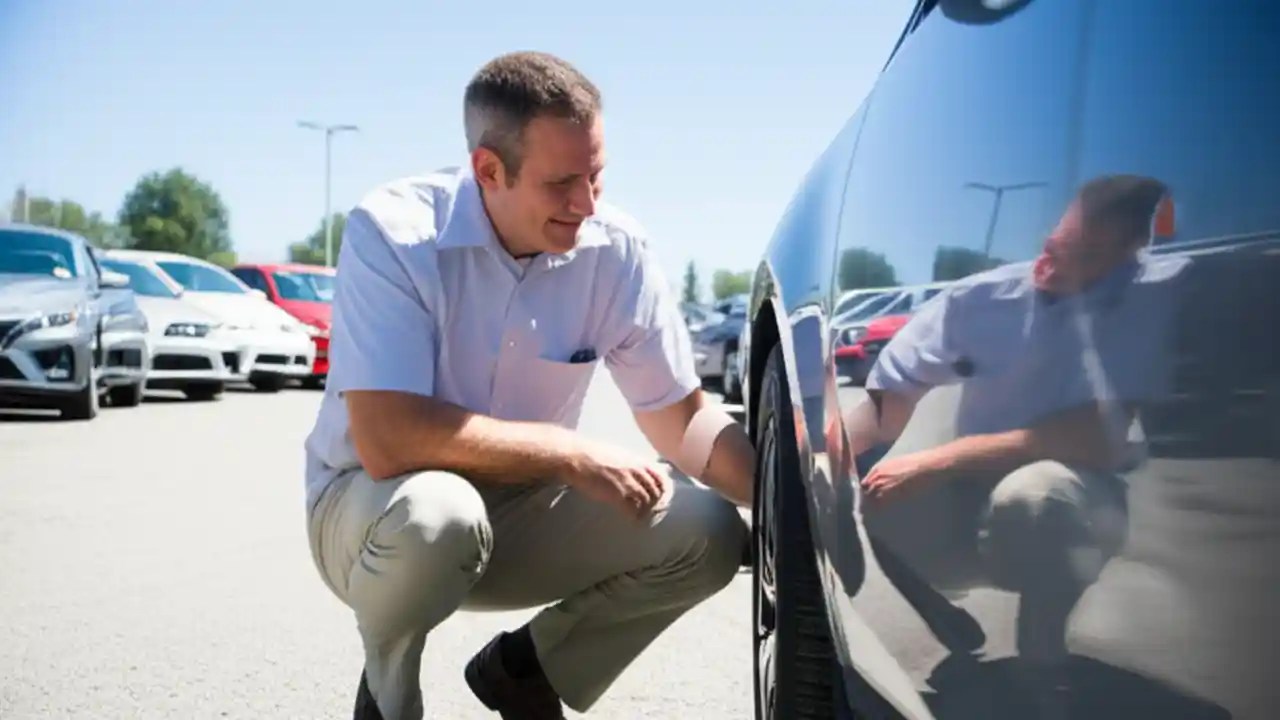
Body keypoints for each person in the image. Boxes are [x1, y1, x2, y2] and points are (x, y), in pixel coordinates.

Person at [302, 51, 755, 720]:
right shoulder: (395, 234)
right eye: (564, 182)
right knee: (441, 515)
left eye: (597, 174)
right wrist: (569, 453)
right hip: (375, 516)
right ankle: (388, 693)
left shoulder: (616, 252)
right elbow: (388, 439)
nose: (587, 203)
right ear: (489, 170)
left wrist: (791, 504)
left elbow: (685, 424)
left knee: (710, 531)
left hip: (521, 515)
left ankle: (527, 670)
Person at [847, 175, 1185, 681]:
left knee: (1035, 494)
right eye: (1053, 245)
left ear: (1130, 252)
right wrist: (822, 463)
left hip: (1076, 498)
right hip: (973, 497)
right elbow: (885, 405)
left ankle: (1042, 655)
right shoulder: (982, 300)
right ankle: (941, 612)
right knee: (880, 493)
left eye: (1085, 253)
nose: (1052, 264)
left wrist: (937, 461)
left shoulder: (1146, 301)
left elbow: (1093, 435)